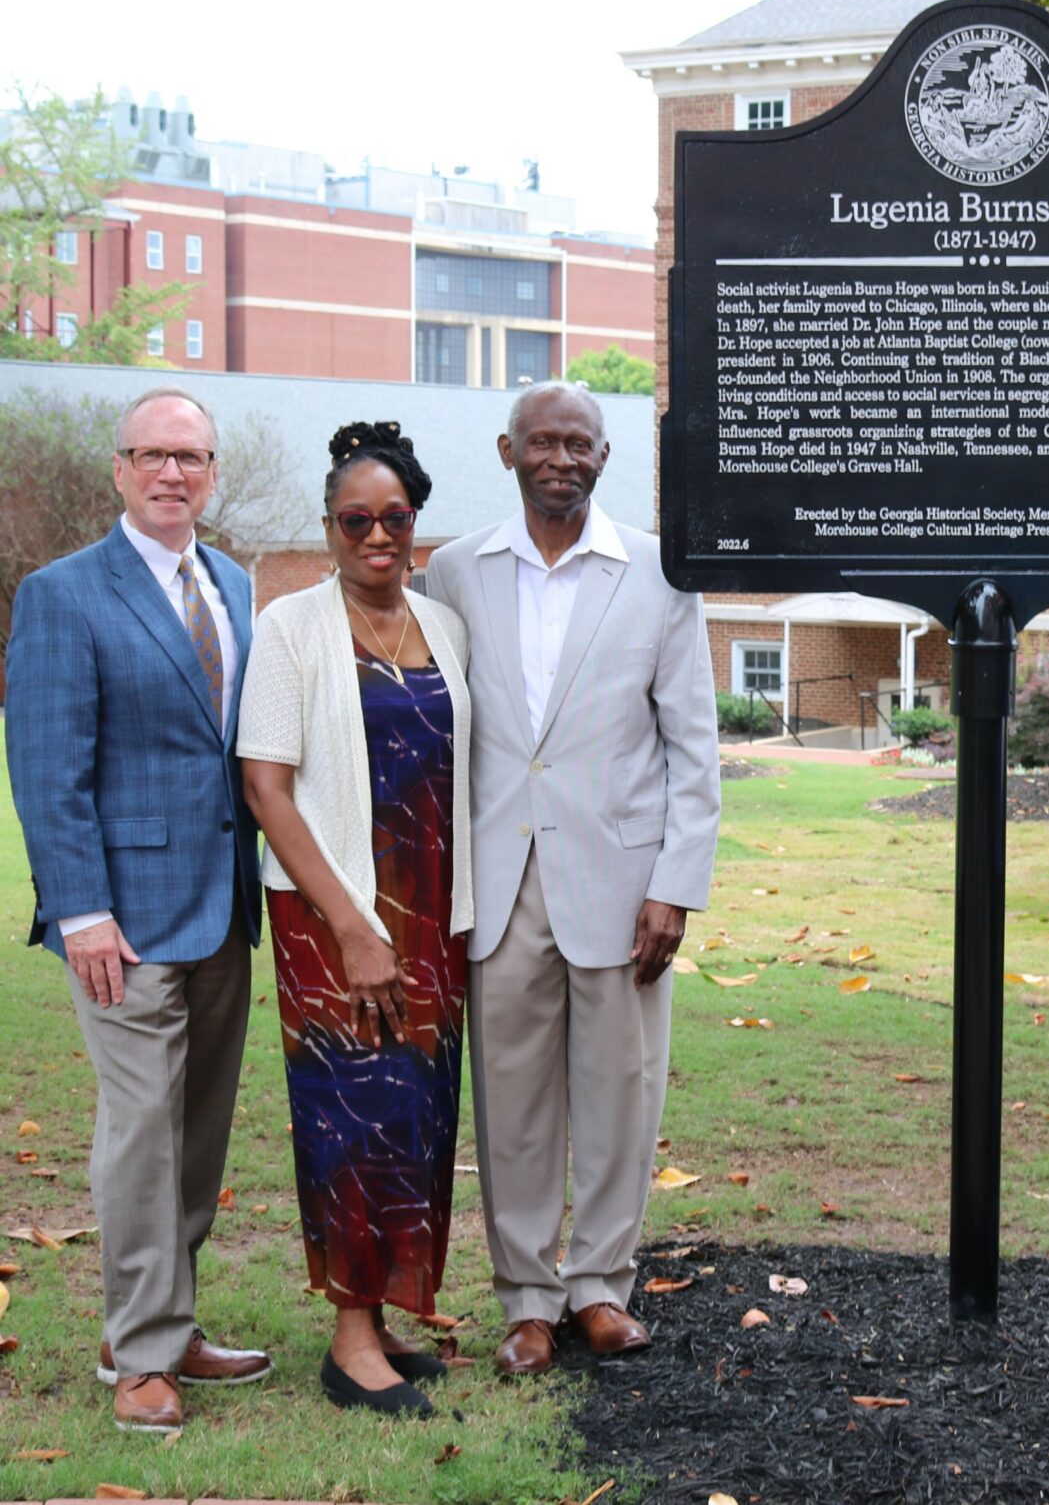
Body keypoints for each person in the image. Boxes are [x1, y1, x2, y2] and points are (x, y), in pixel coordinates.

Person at [415, 382, 720, 1376]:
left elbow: (693, 749)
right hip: (497, 881)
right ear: (508, 450)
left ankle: (600, 1286)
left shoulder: (659, 577)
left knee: (621, 1093)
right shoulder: (455, 571)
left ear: (603, 454)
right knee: (511, 1100)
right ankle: (525, 1300)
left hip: (625, 885)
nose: (562, 456)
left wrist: (675, 883)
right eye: (544, 440)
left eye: (580, 442)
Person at [5, 386, 270, 1434]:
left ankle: (157, 1317)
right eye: (152, 454)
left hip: (225, 907)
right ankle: (145, 1357)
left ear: (212, 472)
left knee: (198, 1128)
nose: (172, 473)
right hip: (122, 916)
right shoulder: (64, 593)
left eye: (191, 457)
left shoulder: (237, 586)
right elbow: (46, 767)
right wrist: (79, 912)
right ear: (119, 469)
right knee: (139, 1130)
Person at [238, 421, 472, 1416]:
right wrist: (353, 923)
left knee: (416, 1114)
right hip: (333, 919)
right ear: (329, 528)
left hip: (431, 910)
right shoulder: (292, 626)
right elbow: (265, 784)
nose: (375, 534)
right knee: (350, 1116)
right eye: (354, 520)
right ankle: (347, 1340)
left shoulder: (443, 625)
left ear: (415, 520)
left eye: (393, 517)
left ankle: (380, 1316)